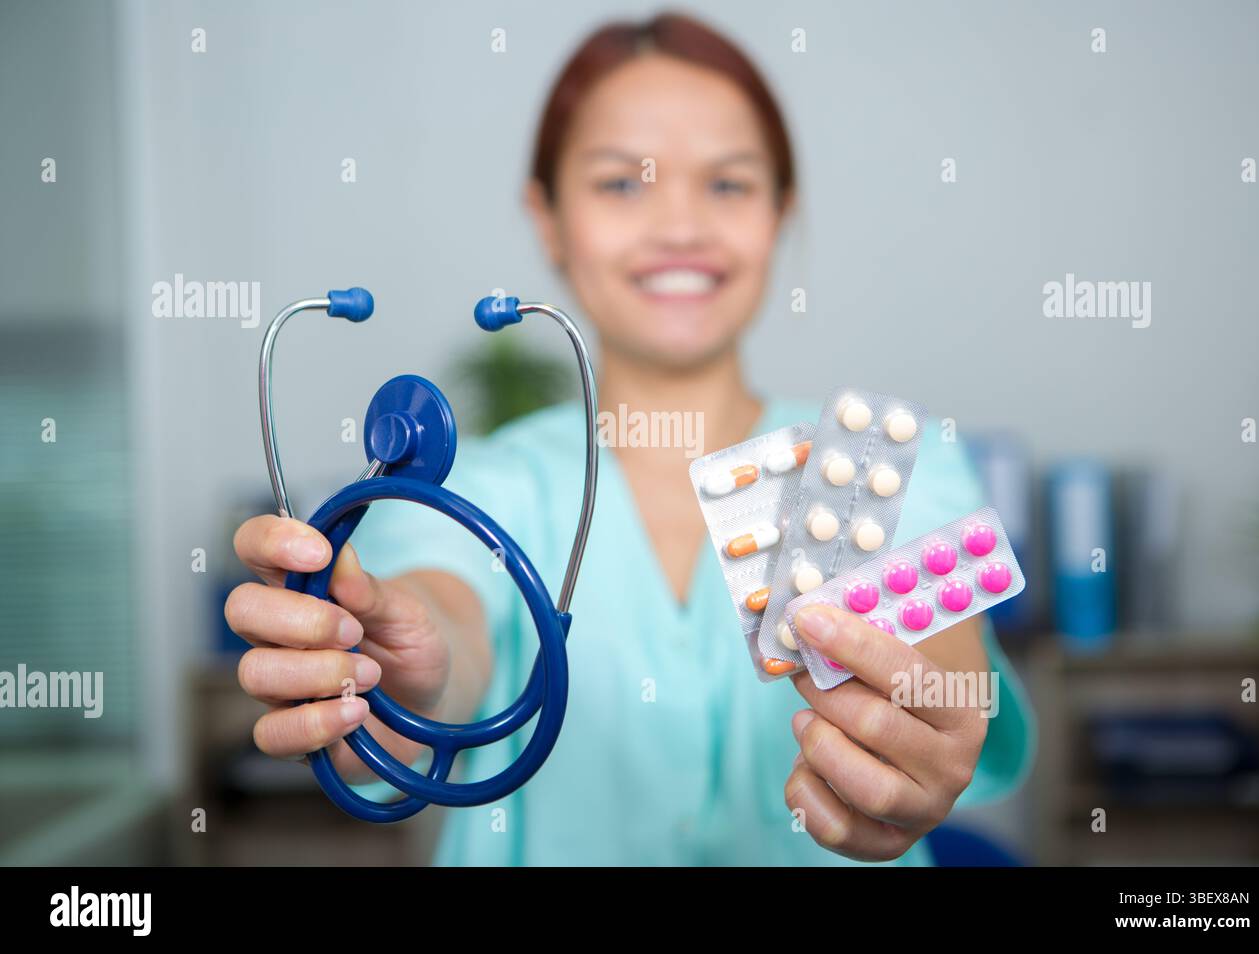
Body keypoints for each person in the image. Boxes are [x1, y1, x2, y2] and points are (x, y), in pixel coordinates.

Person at [225, 12, 1035, 866]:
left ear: (781, 213)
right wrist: (394, 678)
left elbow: (944, 656)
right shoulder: (478, 490)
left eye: (728, 184)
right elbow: (439, 622)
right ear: (547, 218)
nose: (680, 225)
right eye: (621, 184)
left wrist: (921, 728)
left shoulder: (889, 459)